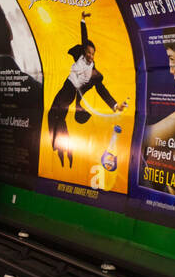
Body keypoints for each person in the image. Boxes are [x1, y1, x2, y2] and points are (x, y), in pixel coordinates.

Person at [47, 12, 127, 167]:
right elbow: (84, 38)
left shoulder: (93, 70)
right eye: (89, 52)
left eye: (93, 53)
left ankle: (62, 148)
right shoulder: (81, 58)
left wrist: (115, 105)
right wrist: (82, 21)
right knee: (55, 115)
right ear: (85, 52)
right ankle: (60, 148)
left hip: (69, 92)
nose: (91, 55)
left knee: (55, 115)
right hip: (67, 88)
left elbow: (102, 90)